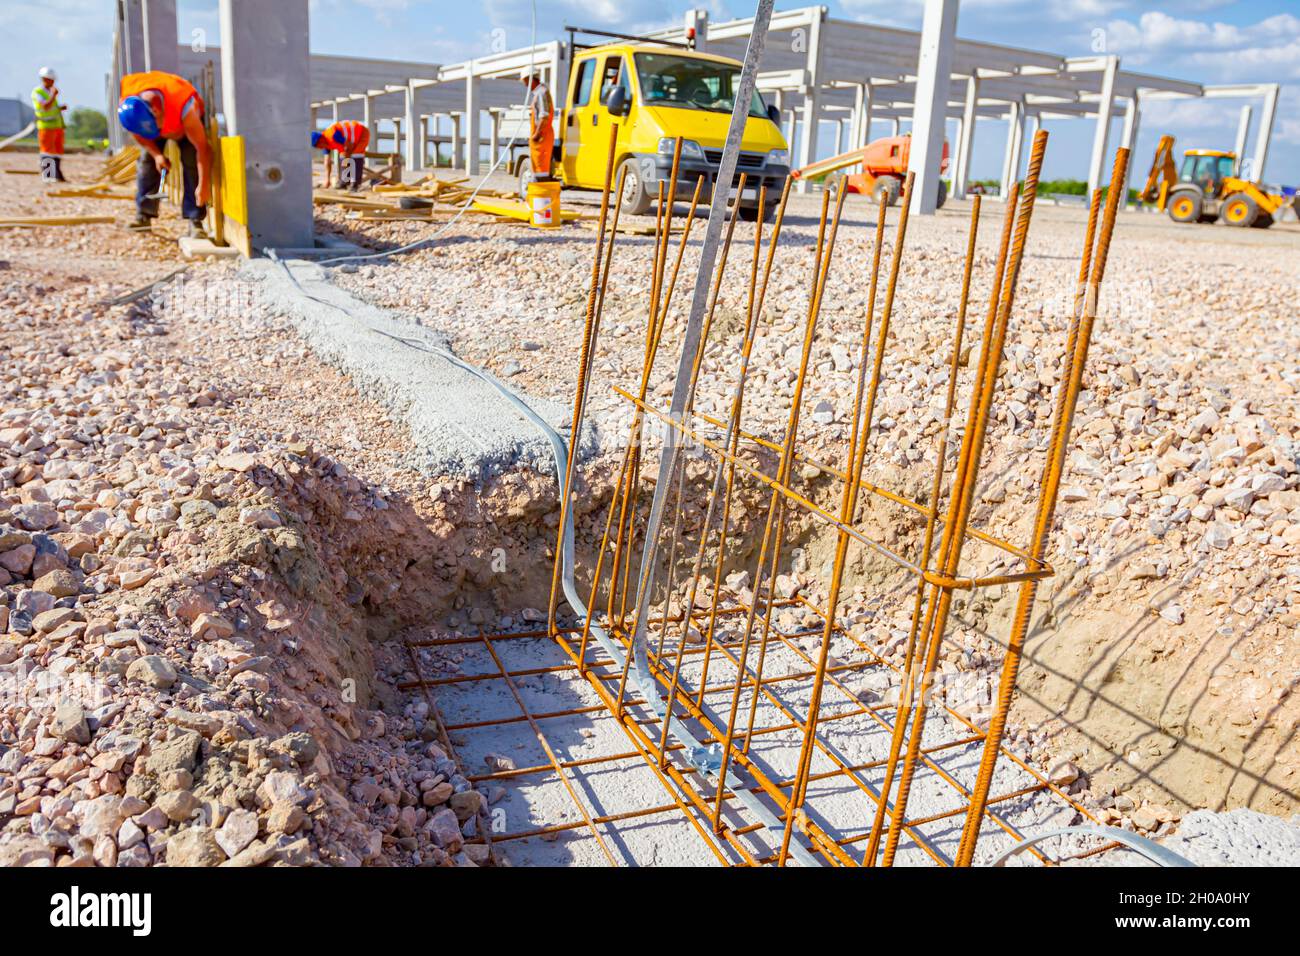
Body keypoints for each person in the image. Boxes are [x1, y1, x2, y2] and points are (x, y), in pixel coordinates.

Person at [116, 70, 212, 237]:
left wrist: (203, 185)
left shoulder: (185, 107)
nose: (160, 132)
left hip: (184, 128)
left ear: (156, 111)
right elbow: (137, 134)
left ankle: (195, 220)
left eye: (158, 127)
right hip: (155, 120)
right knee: (146, 163)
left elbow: (203, 149)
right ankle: (143, 216)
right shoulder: (130, 108)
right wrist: (157, 155)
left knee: (191, 162)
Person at [31, 67, 67, 183]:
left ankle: (57, 175)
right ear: (44, 79)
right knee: (47, 151)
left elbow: (51, 108)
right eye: (50, 80)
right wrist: (53, 95)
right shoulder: (39, 92)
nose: (52, 83)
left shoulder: (48, 92)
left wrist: (59, 108)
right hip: (46, 126)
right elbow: (45, 106)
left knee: (57, 152)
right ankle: (48, 176)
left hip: (57, 126)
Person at [312, 120, 370, 191]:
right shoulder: (325, 144)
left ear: (320, 140)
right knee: (343, 156)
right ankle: (344, 182)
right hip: (351, 140)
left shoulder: (333, 135)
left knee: (356, 155)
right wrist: (327, 179)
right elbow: (327, 162)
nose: (319, 148)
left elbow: (349, 145)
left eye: (318, 146)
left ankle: (355, 184)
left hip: (361, 133)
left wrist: (348, 157)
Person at [520, 72, 554, 181]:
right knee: (539, 169)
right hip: (541, 137)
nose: (525, 85)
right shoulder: (539, 93)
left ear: (531, 79)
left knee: (541, 171)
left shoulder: (541, 93)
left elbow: (544, 116)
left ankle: (541, 195)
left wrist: (536, 134)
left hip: (542, 137)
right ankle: (539, 194)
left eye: (525, 81)